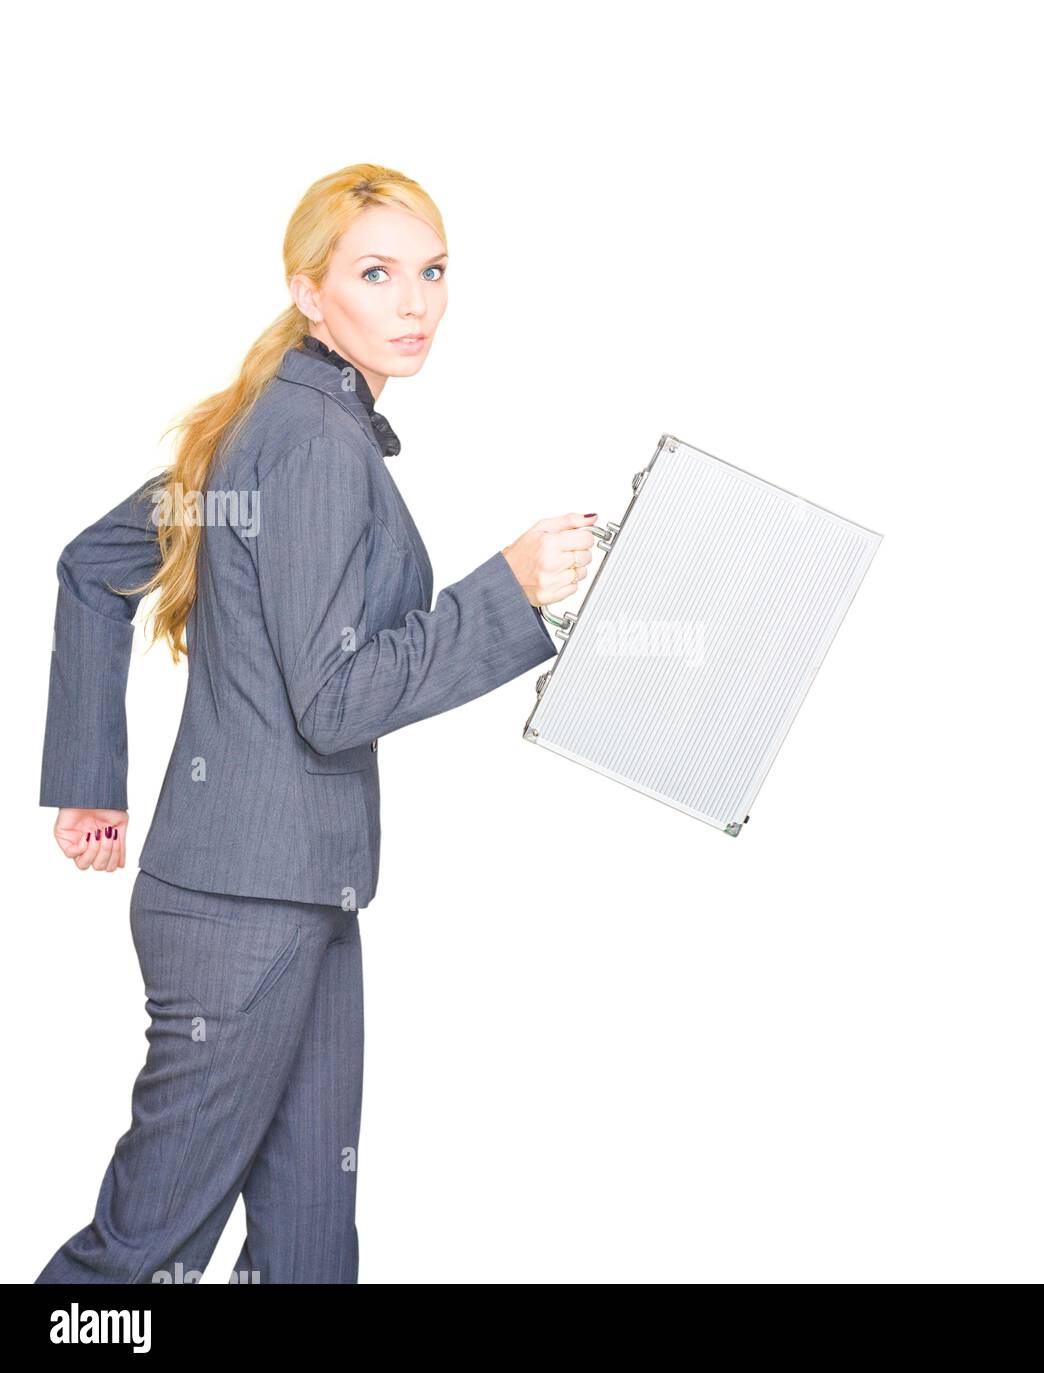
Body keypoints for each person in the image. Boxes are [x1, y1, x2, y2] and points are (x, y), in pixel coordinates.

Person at [35, 162, 596, 1283]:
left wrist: (90, 779)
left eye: (432, 272)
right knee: (142, 1257)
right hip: (242, 907)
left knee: (304, 1244)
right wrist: (509, 589)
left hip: (301, 891)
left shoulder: (279, 425)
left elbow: (92, 567)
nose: (415, 303)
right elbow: (335, 697)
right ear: (308, 290)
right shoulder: (308, 444)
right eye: (378, 273)